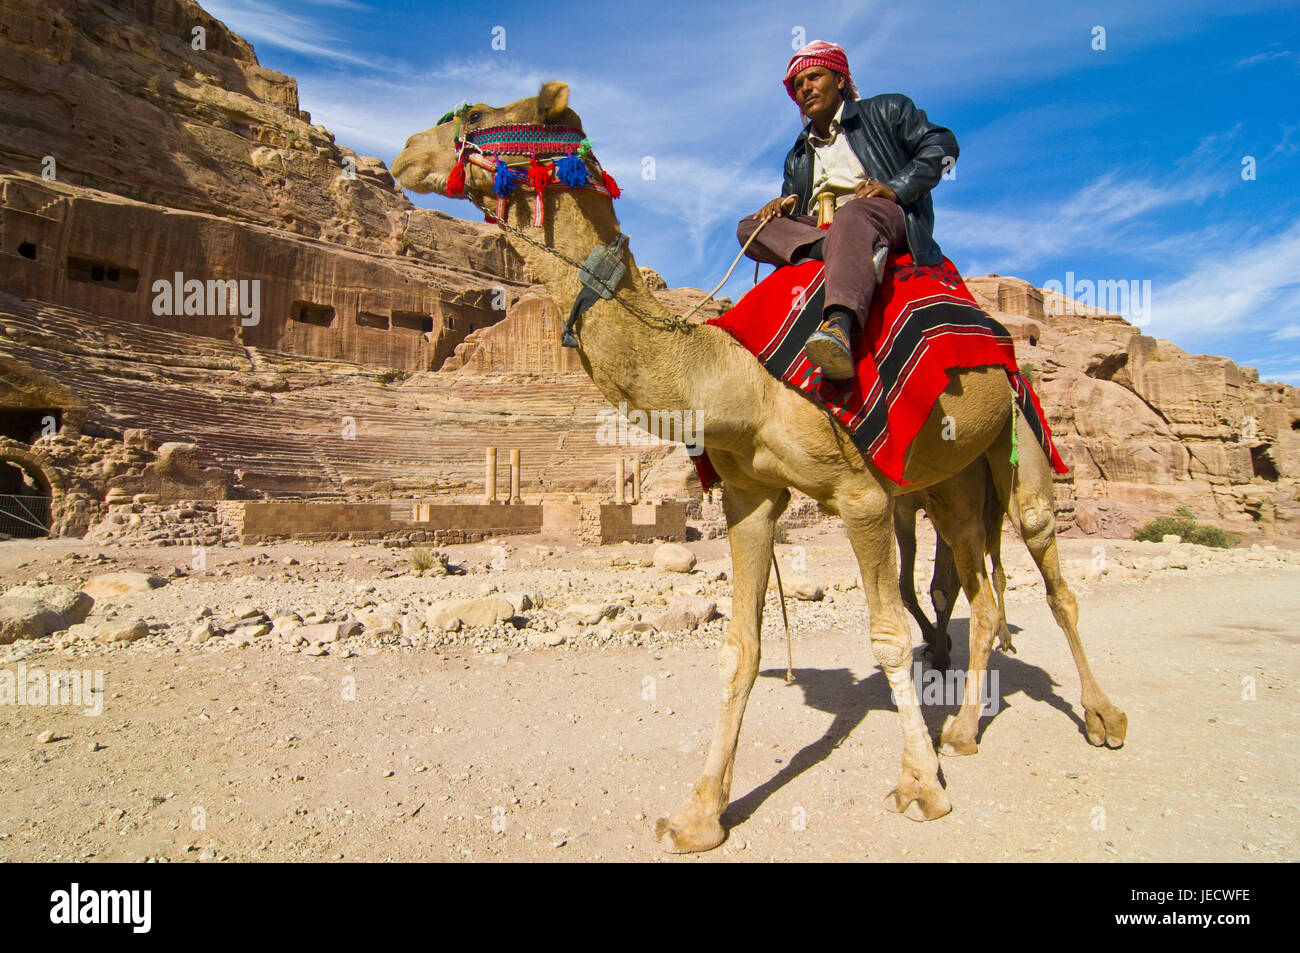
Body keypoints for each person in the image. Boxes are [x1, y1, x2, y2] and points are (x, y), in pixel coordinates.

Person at [737, 41, 959, 380]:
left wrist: (897, 188)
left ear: (840, 80)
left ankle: (839, 326)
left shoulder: (887, 109)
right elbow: (794, 200)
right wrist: (777, 207)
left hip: (881, 214)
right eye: (798, 85)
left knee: (851, 215)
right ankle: (845, 250)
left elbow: (942, 146)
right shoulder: (797, 154)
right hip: (822, 227)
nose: (805, 89)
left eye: (814, 77)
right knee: (747, 227)